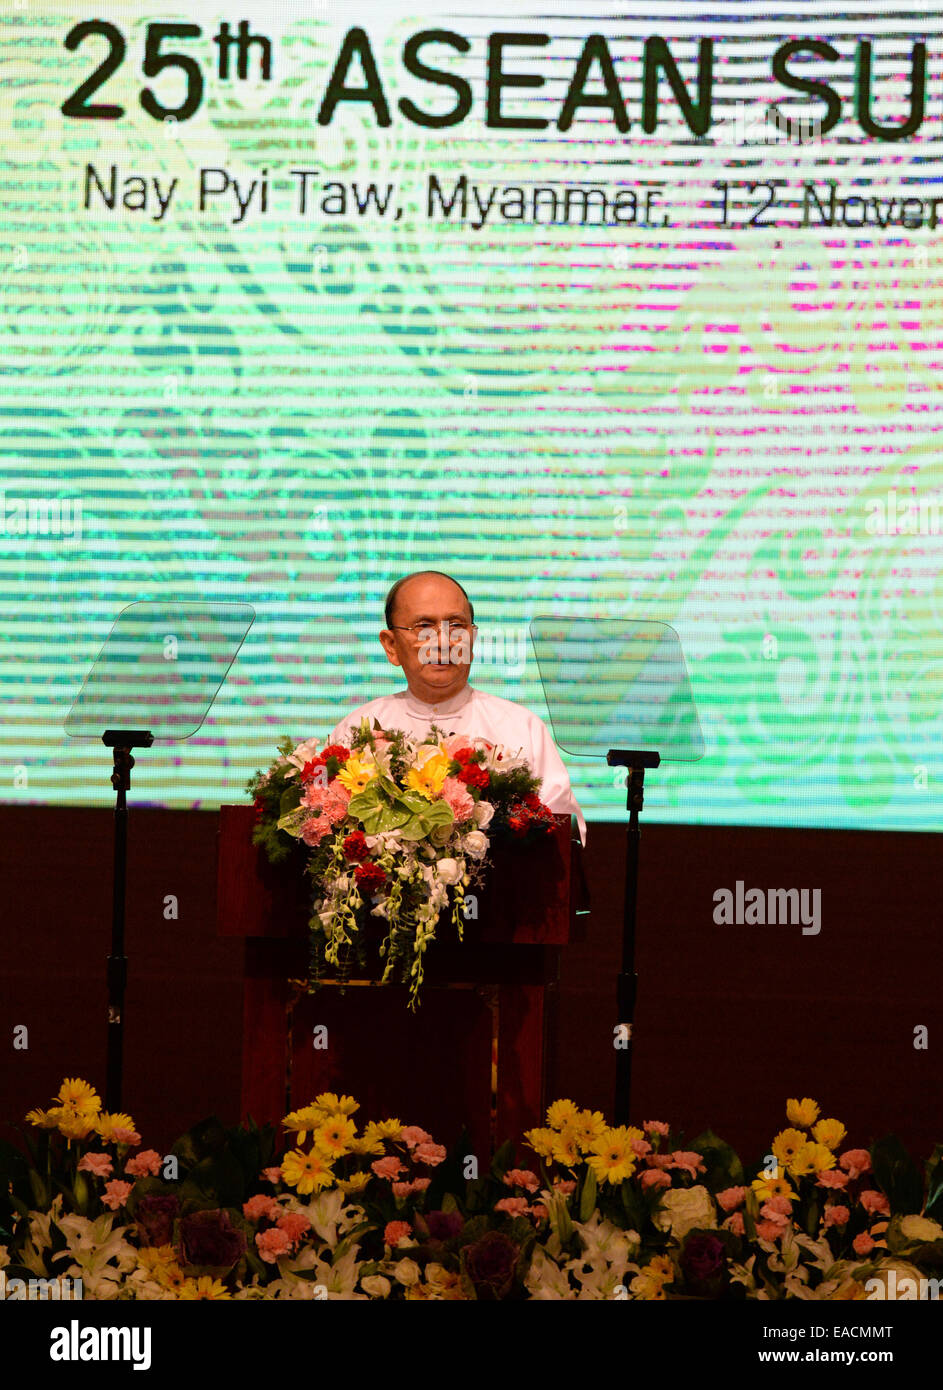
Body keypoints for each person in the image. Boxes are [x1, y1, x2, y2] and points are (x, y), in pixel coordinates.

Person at [328, 570, 587, 844]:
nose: (443, 642)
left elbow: (563, 837)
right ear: (391, 645)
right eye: (424, 627)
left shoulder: (521, 728)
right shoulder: (355, 731)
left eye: (456, 626)